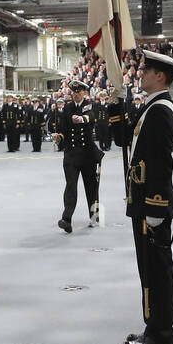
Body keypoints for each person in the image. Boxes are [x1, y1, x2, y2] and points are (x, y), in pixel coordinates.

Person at [108, 50, 173, 344]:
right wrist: (116, 104)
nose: (141, 74)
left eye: (146, 71)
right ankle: (154, 326)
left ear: (160, 76)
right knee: (150, 267)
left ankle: (160, 332)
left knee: (156, 270)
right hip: (143, 202)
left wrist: (155, 205)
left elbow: (161, 163)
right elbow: (124, 138)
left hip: (152, 204)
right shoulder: (152, 107)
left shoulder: (161, 110)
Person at [57, 79, 102, 232]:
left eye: (79, 91)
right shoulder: (67, 108)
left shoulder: (88, 105)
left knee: (91, 187)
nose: (76, 94)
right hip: (71, 154)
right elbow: (62, 128)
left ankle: (95, 216)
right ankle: (66, 219)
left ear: (84, 92)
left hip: (88, 154)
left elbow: (91, 117)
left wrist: (82, 119)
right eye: (73, 92)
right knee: (70, 186)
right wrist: (59, 137)